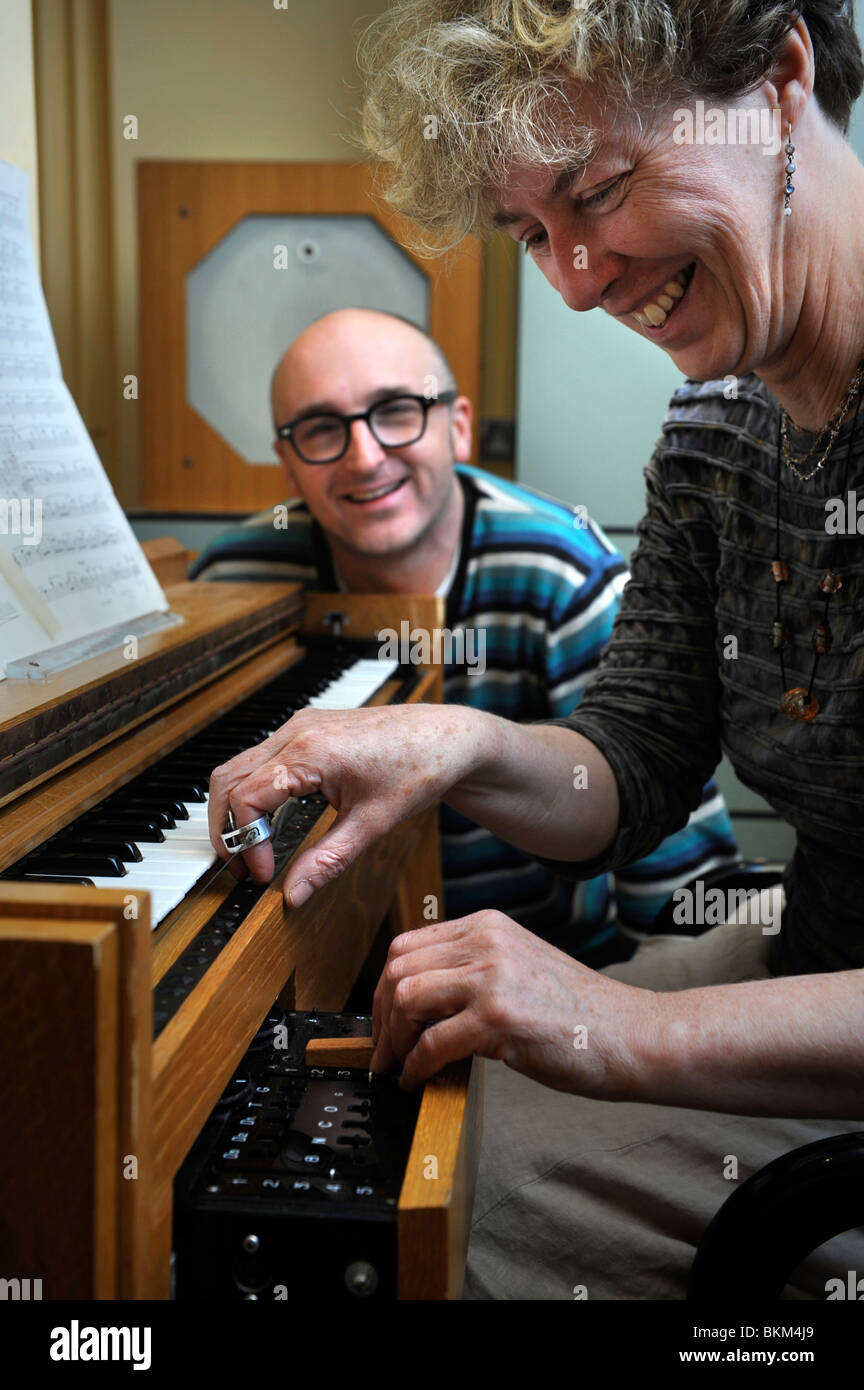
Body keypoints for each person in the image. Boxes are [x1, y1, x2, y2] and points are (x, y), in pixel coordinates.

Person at [206, 1, 864, 1299]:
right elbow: (628, 767)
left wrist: (628, 1026)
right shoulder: (715, 430)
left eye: (598, 192)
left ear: (782, 78)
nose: (570, 278)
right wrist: (457, 740)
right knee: (409, 1111)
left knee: (433, 1220)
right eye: (530, 234)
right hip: (814, 957)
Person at [191, 307, 739, 965]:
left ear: (459, 427)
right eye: (320, 429)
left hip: (543, 973)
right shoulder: (234, 578)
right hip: (317, 975)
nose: (365, 458)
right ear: (287, 465)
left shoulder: (561, 572)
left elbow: (675, 885)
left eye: (397, 411)